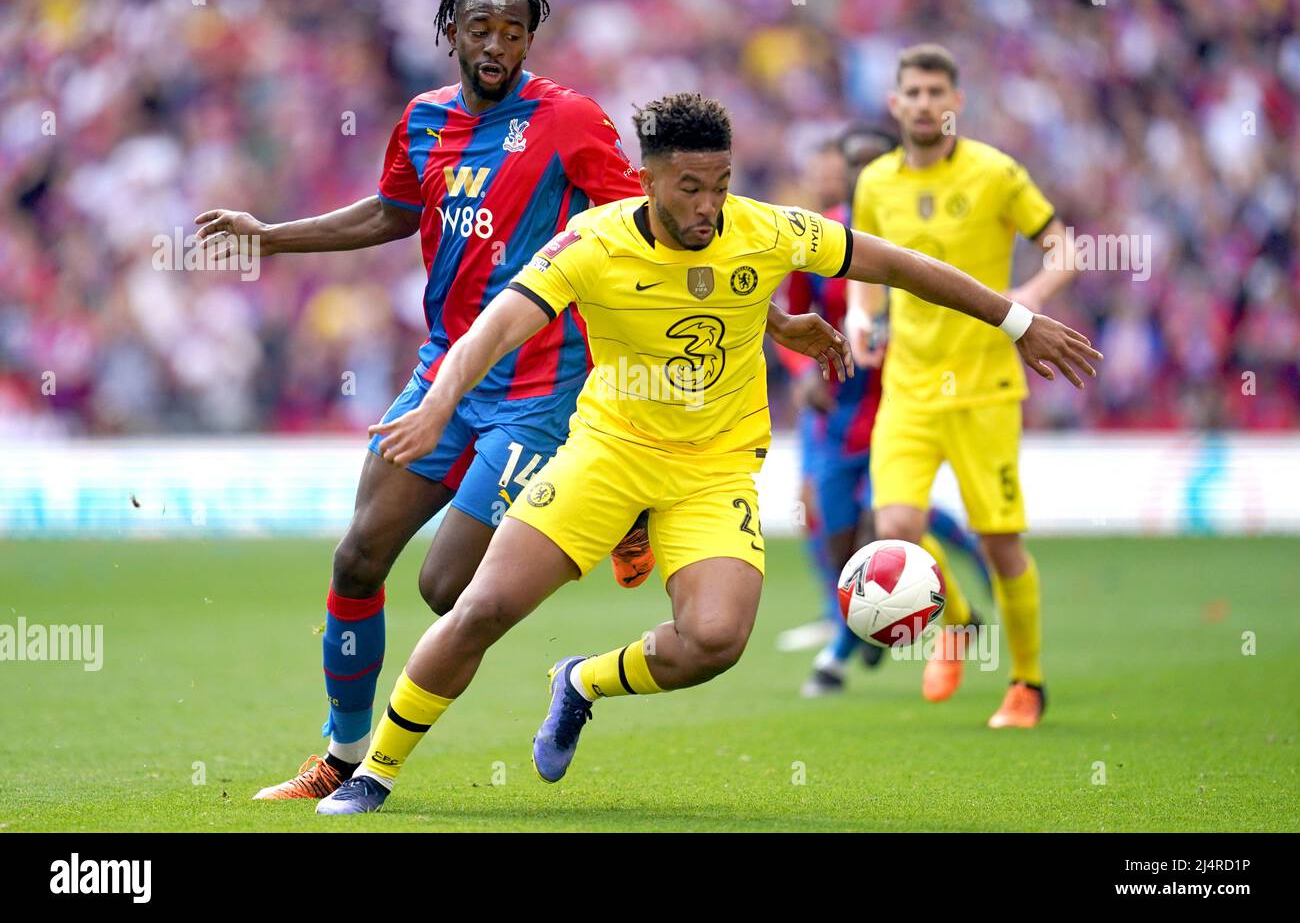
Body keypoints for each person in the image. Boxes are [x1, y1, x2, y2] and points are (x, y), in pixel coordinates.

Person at [307, 92, 1100, 814]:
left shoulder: (766, 226)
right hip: (607, 454)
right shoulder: (592, 241)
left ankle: (580, 680)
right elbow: (495, 328)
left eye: (722, 183)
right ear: (646, 179)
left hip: (713, 470)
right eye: (691, 187)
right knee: (480, 607)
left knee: (716, 640)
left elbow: (899, 265)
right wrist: (440, 401)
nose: (710, 204)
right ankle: (376, 770)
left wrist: (1018, 323)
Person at [194, 0, 841, 801]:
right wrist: (275, 237)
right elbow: (395, 212)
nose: (496, 43)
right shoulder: (423, 120)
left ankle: (624, 511)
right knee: (357, 559)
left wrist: (774, 321)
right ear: (450, 32)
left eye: (512, 31)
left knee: (446, 589)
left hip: (542, 383)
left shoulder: (569, 121)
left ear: (530, 39)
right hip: (446, 368)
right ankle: (339, 759)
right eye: (480, 28)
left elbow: (673, 234)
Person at [846, 43, 1083, 727]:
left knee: (1000, 542)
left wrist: (1030, 297)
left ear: (956, 104)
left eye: (934, 93)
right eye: (911, 93)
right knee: (895, 529)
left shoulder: (996, 173)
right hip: (910, 386)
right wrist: (862, 320)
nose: (923, 104)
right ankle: (957, 619)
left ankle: (1028, 684)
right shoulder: (876, 183)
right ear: (894, 104)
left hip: (984, 389)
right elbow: (862, 269)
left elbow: (1064, 246)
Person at [781, 130, 992, 698]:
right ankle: (940, 611)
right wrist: (803, 375)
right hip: (835, 413)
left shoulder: (917, 240)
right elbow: (786, 316)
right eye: (854, 165)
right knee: (834, 531)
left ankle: (844, 649)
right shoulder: (814, 238)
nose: (862, 174)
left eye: (874, 163)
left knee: (889, 525)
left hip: (901, 405)